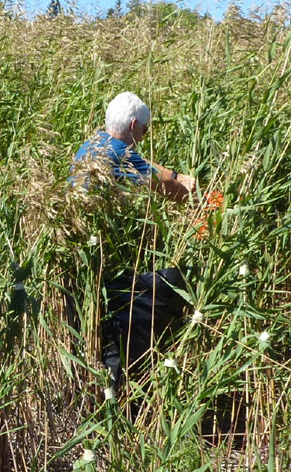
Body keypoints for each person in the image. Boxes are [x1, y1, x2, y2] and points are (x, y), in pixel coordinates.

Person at [70, 91, 197, 392]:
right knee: (177, 281)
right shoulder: (119, 155)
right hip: (103, 268)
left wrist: (176, 173)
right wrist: (192, 191)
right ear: (133, 125)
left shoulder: (92, 146)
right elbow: (164, 186)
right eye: (145, 130)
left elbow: (143, 163)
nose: (145, 135)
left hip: (84, 258)